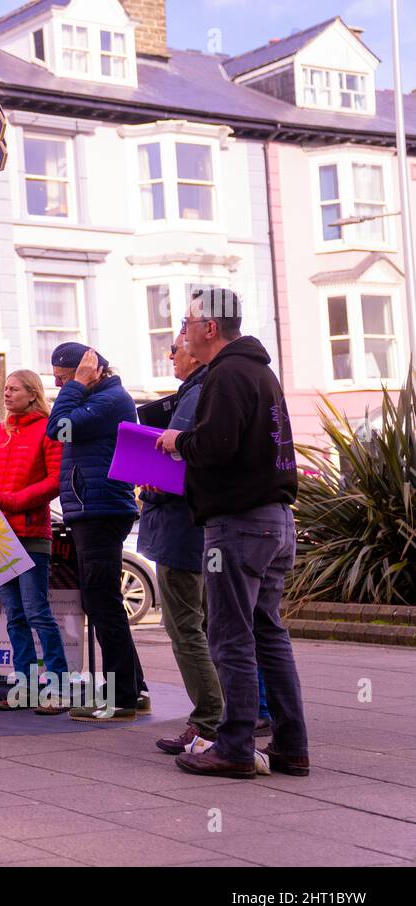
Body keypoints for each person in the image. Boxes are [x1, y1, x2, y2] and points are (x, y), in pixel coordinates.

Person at [159, 289, 308, 779]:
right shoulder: (261, 372)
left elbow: (218, 446)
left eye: (186, 322)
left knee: (231, 635)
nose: (181, 333)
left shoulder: (226, 374)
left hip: (238, 524)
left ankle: (236, 747)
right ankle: (290, 747)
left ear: (210, 328)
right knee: (269, 633)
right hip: (275, 521)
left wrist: (178, 441)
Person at [46, 344, 146, 721]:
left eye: (63, 378)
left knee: (102, 602)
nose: (59, 387)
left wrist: (78, 384)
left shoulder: (110, 399)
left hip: (101, 511)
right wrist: (75, 385)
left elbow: (58, 428)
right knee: (103, 601)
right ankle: (136, 689)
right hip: (94, 509)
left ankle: (121, 697)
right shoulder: (99, 399)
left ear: (89, 370)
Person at [139, 333, 224, 754]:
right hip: (192, 528)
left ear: (194, 349)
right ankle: (217, 717)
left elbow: (178, 464)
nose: (170, 355)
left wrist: (147, 484)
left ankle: (209, 720)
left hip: (179, 529)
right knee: (203, 627)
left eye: (175, 348)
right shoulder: (196, 390)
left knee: (185, 628)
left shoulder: (196, 394)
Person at [0, 370, 68, 713]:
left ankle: (59, 687)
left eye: (14, 389)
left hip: (30, 534)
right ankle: (26, 687)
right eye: (5, 388)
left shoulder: (48, 429)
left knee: (37, 612)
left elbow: (56, 481)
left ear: (32, 394)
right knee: (13, 615)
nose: (7, 393)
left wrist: (12, 501)